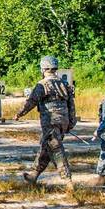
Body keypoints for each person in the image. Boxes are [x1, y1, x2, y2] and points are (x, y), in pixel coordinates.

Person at [15, 56, 76, 192]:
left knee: (56, 151)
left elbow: (31, 102)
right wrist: (71, 121)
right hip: (63, 122)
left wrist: (19, 113)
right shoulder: (64, 84)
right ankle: (33, 175)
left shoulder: (42, 85)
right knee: (46, 149)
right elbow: (71, 104)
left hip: (50, 122)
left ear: (43, 69)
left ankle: (68, 181)